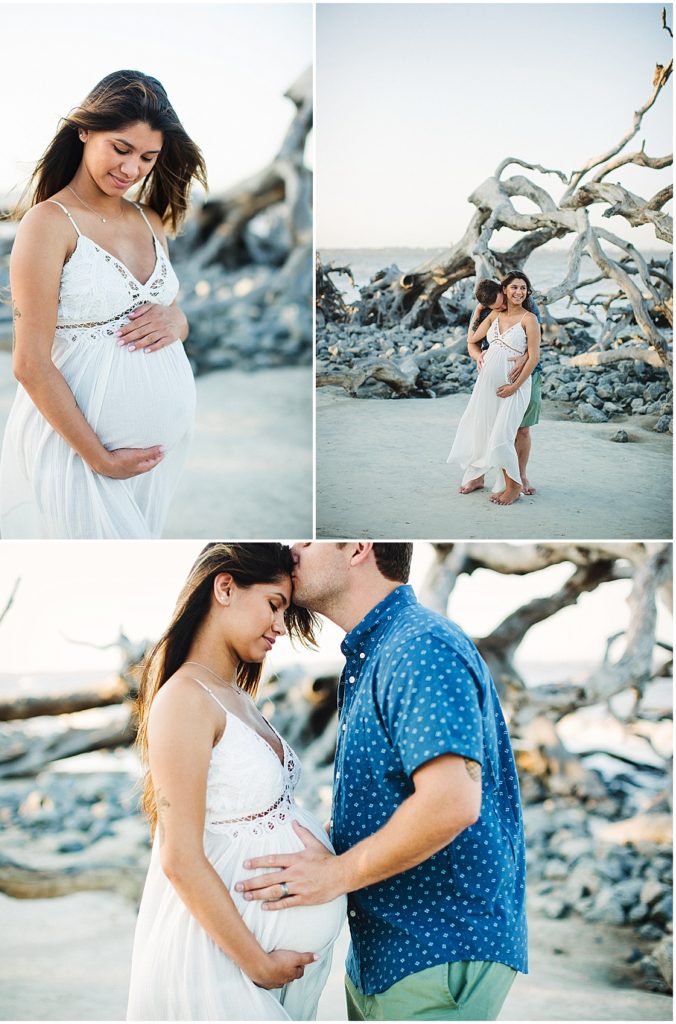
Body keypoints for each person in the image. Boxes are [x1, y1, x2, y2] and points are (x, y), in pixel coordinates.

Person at [238, 542, 527, 1021]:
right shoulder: (379, 651)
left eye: (308, 541)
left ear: (357, 547)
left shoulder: (418, 646)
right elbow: (396, 799)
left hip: (437, 947)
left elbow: (452, 802)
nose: (292, 550)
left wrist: (333, 875)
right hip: (392, 955)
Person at [126, 543, 346, 1021]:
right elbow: (179, 857)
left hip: (256, 969)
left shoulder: (236, 696)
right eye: (274, 605)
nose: (280, 627)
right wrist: (258, 963)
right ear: (225, 587)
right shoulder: (185, 698)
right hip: (220, 966)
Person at [0, 70, 206, 539]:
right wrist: (100, 457)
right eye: (121, 148)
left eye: (148, 158)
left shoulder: (149, 219)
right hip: (79, 453)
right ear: (85, 130)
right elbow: (29, 363)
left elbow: (168, 320)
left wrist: (178, 318)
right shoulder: (48, 223)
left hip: (150, 463)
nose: (132, 169)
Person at [447, 272, 541, 506]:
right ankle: (480, 477)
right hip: (487, 387)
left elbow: (535, 355)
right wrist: (478, 312)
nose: (519, 292)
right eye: (514, 288)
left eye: (523, 288)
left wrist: (514, 387)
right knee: (481, 430)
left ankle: (515, 484)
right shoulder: (493, 314)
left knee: (504, 435)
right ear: (504, 290)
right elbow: (472, 338)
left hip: (514, 387)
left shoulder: (530, 318)